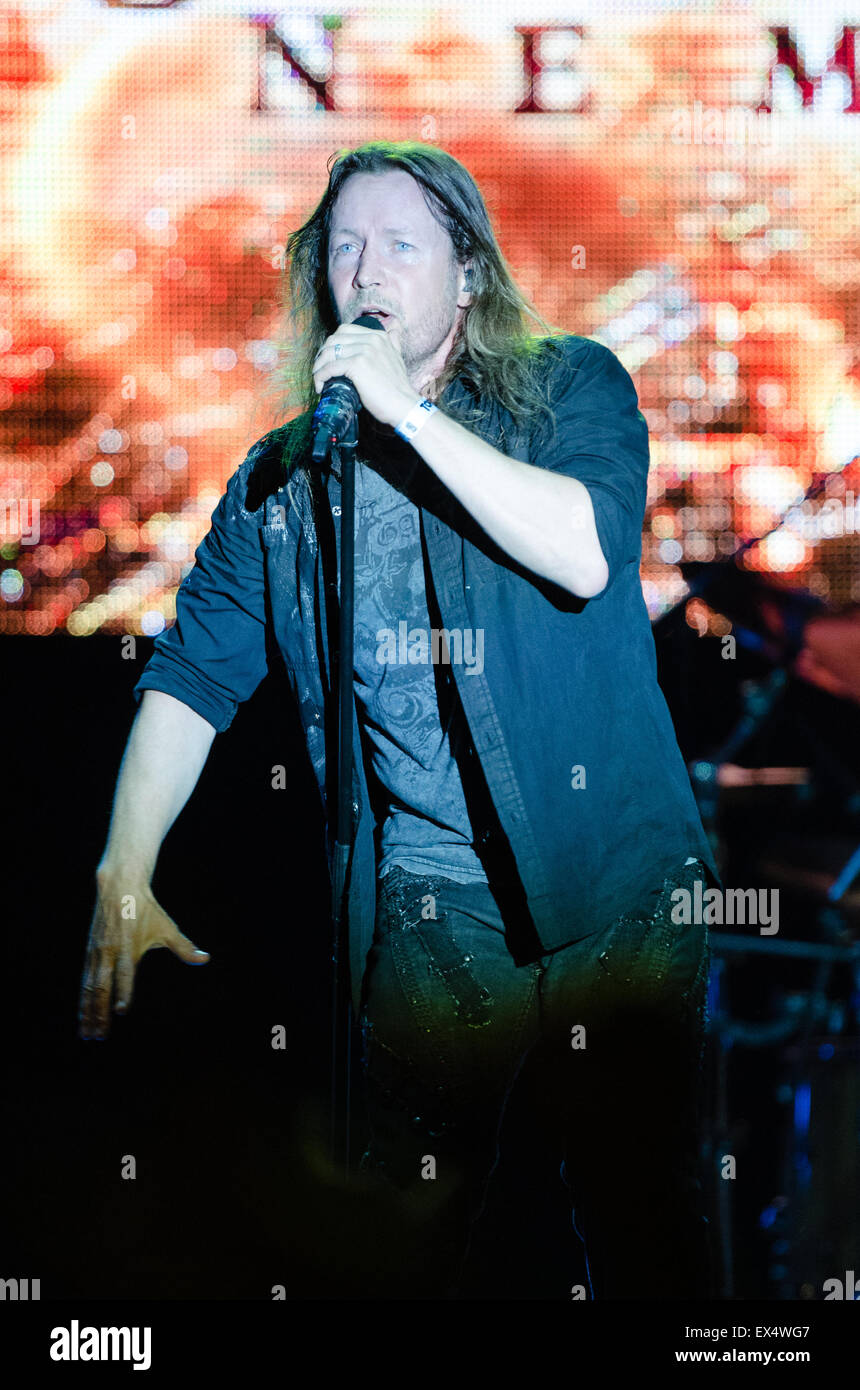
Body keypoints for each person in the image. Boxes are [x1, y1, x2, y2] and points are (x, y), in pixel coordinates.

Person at [79, 140, 719, 1300]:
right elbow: (188, 680)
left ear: (466, 276)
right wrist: (125, 867)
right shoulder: (285, 479)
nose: (366, 270)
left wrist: (410, 420)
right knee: (399, 1243)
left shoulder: (568, 386)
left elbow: (581, 552)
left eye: (401, 245)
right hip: (430, 909)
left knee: (649, 1239)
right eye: (344, 248)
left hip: (615, 893)